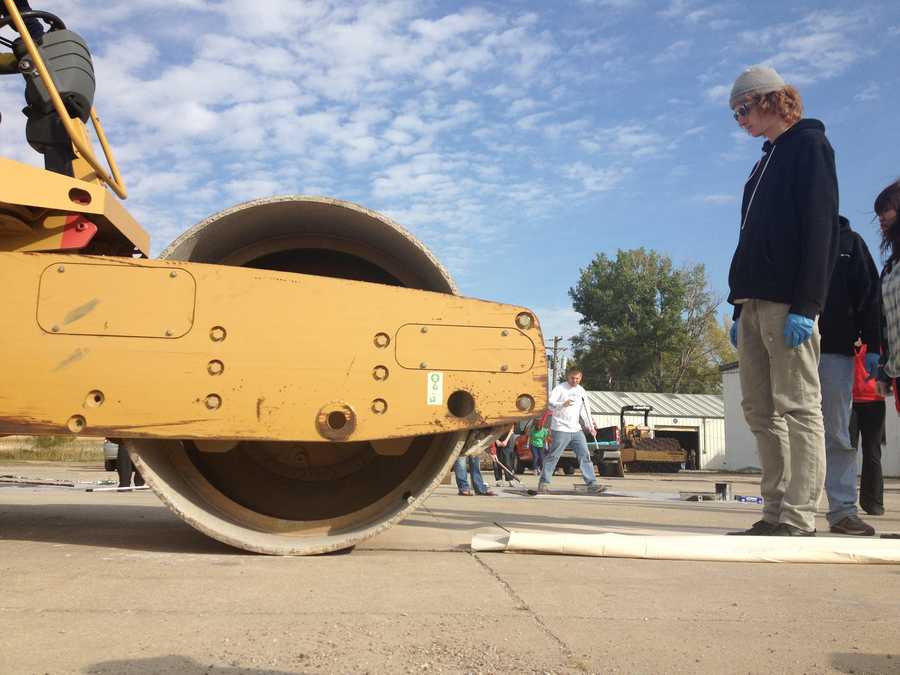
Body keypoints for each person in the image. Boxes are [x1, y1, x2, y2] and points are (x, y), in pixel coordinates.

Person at [726, 65, 839, 537]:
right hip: (751, 301)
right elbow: (750, 238)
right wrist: (736, 308)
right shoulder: (763, 161)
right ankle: (773, 509)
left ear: (772, 99)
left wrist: (808, 305)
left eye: (743, 109)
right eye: (735, 114)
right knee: (758, 409)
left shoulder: (809, 147)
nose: (740, 120)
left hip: (787, 303)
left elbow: (820, 229)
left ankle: (799, 516)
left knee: (798, 406)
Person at [816, 217, 880, 536]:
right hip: (789, 349)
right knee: (785, 429)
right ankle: (787, 510)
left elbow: (870, 295)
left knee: (838, 432)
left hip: (835, 350)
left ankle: (842, 511)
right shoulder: (790, 233)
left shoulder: (849, 243)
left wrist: (873, 342)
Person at [539, 367, 601, 494]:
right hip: (561, 428)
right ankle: (544, 483)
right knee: (553, 456)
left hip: (576, 429)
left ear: (581, 378)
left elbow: (585, 411)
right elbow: (549, 404)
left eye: (577, 378)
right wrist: (562, 404)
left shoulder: (581, 391)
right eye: (573, 378)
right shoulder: (560, 389)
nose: (575, 381)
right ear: (568, 377)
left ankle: (592, 483)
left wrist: (590, 426)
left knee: (585, 455)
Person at [850, 340, 886, 516]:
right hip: (848, 402)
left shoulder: (876, 342)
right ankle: (845, 500)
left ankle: (874, 502)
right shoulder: (842, 340)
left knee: (872, 453)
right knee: (847, 451)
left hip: (874, 402)